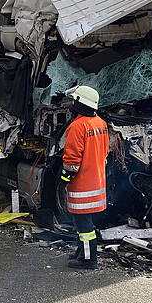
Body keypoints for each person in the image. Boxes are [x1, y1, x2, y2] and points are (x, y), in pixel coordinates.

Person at [60, 85, 108, 270]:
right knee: (83, 222)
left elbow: (72, 161)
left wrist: (63, 180)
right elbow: (104, 153)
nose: (72, 103)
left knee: (83, 223)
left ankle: (89, 259)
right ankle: (82, 252)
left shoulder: (77, 127)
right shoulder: (101, 124)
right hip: (97, 181)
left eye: (74, 100)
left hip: (82, 184)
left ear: (80, 103)